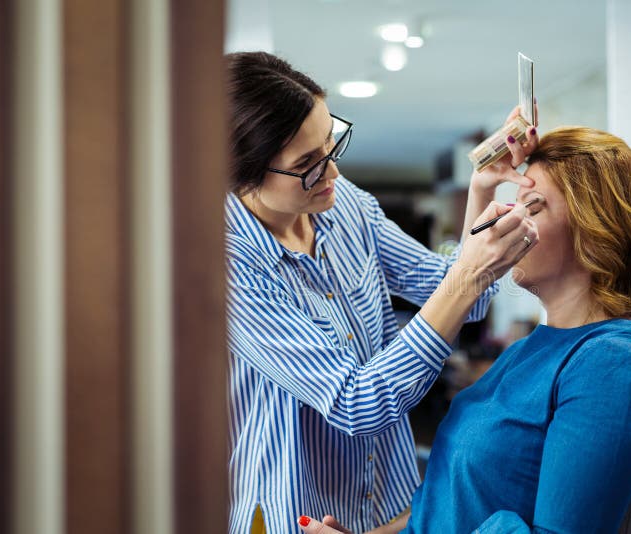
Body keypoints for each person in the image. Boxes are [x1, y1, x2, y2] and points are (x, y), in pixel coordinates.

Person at [298, 126, 631, 534]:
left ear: (595, 230)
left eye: (532, 207)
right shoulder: (526, 352)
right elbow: (454, 505)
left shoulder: (614, 365)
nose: (509, 220)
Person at [224, 51, 541, 534]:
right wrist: (468, 274)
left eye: (331, 142)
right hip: (296, 512)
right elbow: (356, 402)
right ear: (241, 175)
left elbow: (466, 299)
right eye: (308, 164)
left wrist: (481, 191)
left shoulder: (342, 204)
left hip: (390, 505)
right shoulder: (226, 265)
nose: (332, 175)